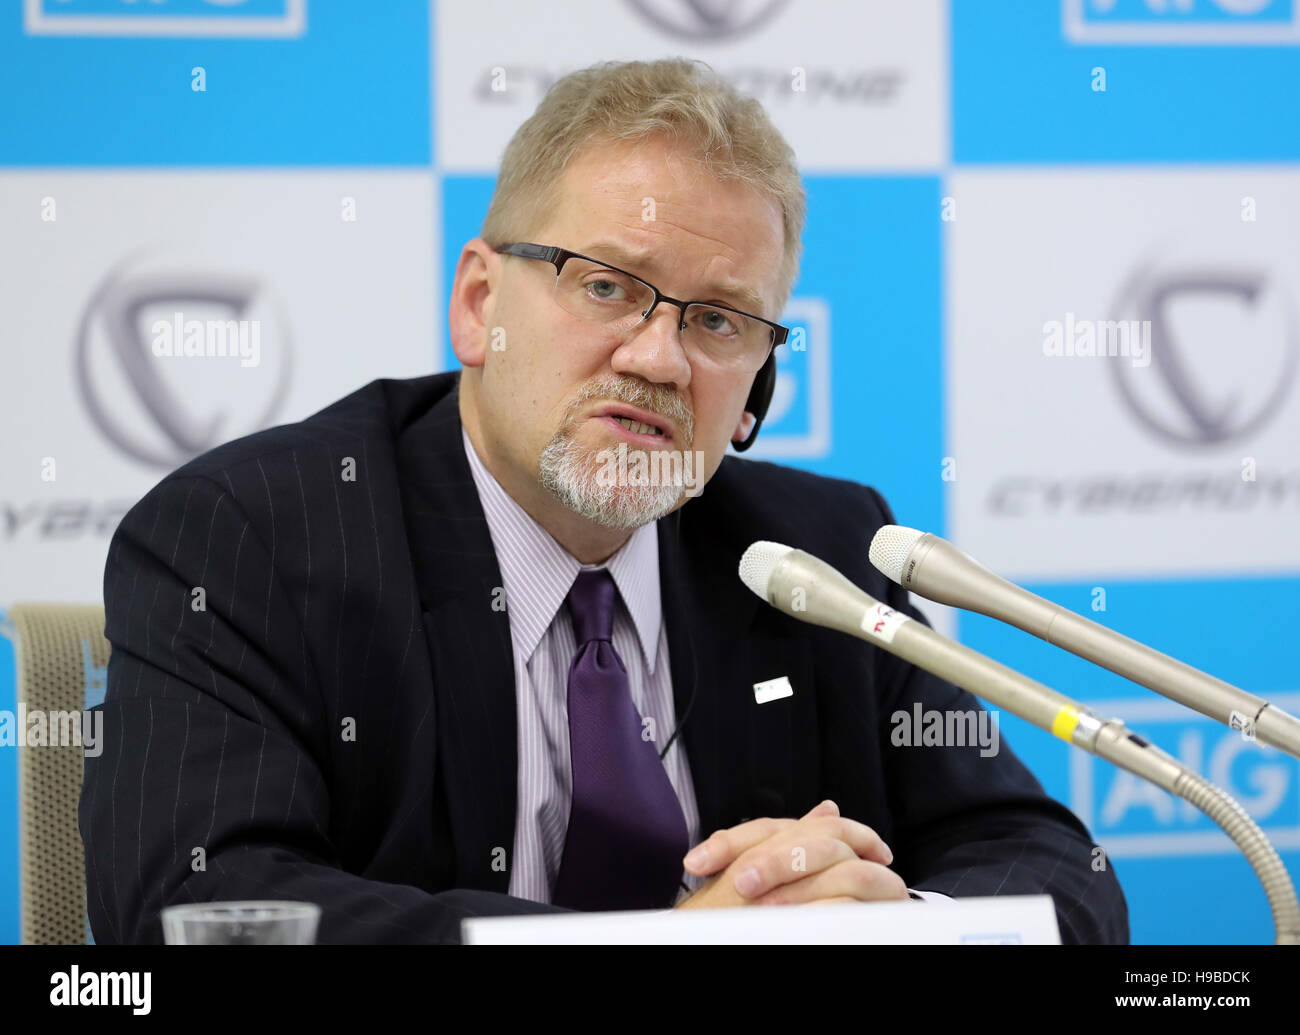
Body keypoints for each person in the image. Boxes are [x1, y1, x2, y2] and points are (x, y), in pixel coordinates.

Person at [80, 57, 1128, 944]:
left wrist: (878, 925)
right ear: (481, 303)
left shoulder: (817, 553)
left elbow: (1054, 867)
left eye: (720, 320)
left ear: (760, 379)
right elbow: (202, 907)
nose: (659, 356)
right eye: (607, 285)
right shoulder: (250, 539)